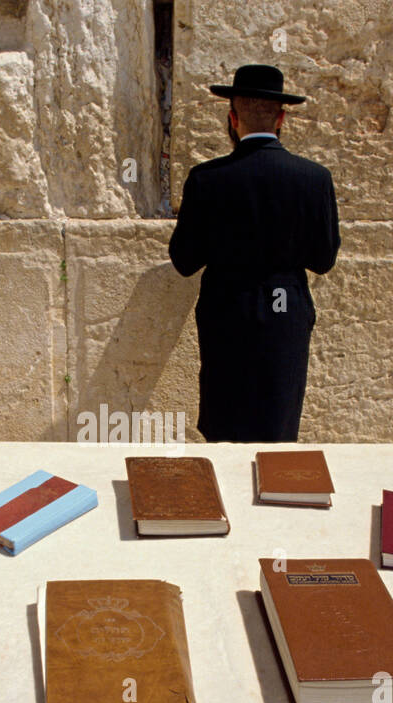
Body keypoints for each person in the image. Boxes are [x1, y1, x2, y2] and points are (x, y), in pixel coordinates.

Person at [169, 64, 340, 442]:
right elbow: (324, 259)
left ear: (233, 118)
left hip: (226, 312)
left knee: (224, 424)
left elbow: (184, 260)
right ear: (281, 119)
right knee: (278, 425)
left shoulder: (206, 179)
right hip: (285, 312)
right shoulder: (314, 178)